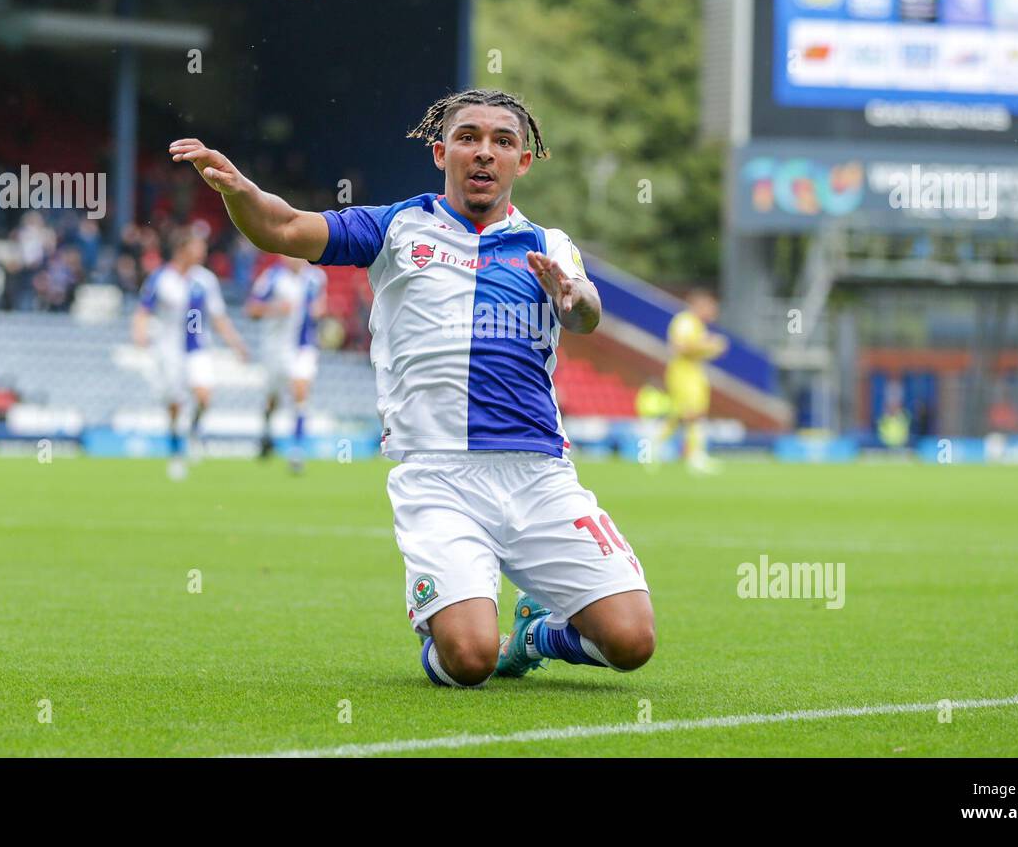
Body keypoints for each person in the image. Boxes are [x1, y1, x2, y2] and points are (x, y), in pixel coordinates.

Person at [169, 88, 655, 687]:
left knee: (633, 642)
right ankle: (464, 638)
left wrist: (573, 297)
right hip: (438, 478)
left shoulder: (548, 245)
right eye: (468, 138)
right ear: (440, 151)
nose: (484, 153)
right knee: (471, 661)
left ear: (522, 161)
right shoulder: (397, 228)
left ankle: (535, 636)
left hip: (539, 477)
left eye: (503, 141)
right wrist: (240, 193)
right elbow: (285, 227)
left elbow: (586, 313)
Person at [131, 227, 248, 480]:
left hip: (199, 348)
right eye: (198, 247)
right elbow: (143, 310)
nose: (203, 252)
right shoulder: (160, 278)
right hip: (169, 349)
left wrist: (236, 344)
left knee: (204, 395)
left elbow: (219, 317)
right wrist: (139, 333)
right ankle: (175, 454)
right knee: (174, 404)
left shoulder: (205, 280)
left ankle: (194, 431)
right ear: (183, 249)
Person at [246, 255, 327, 471]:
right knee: (273, 398)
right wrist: (275, 308)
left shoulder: (316, 278)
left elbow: (321, 305)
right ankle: (266, 432)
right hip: (275, 349)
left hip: (304, 347)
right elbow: (252, 310)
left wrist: (319, 312)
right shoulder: (272, 278)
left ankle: (297, 451)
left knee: (300, 392)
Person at [662, 289, 726, 473]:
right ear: (700, 306)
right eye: (711, 308)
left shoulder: (696, 324)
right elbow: (680, 347)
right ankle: (693, 455)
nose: (713, 313)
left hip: (693, 372)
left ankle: (655, 450)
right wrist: (708, 345)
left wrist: (710, 348)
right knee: (690, 414)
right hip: (683, 373)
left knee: (685, 414)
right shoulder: (685, 321)